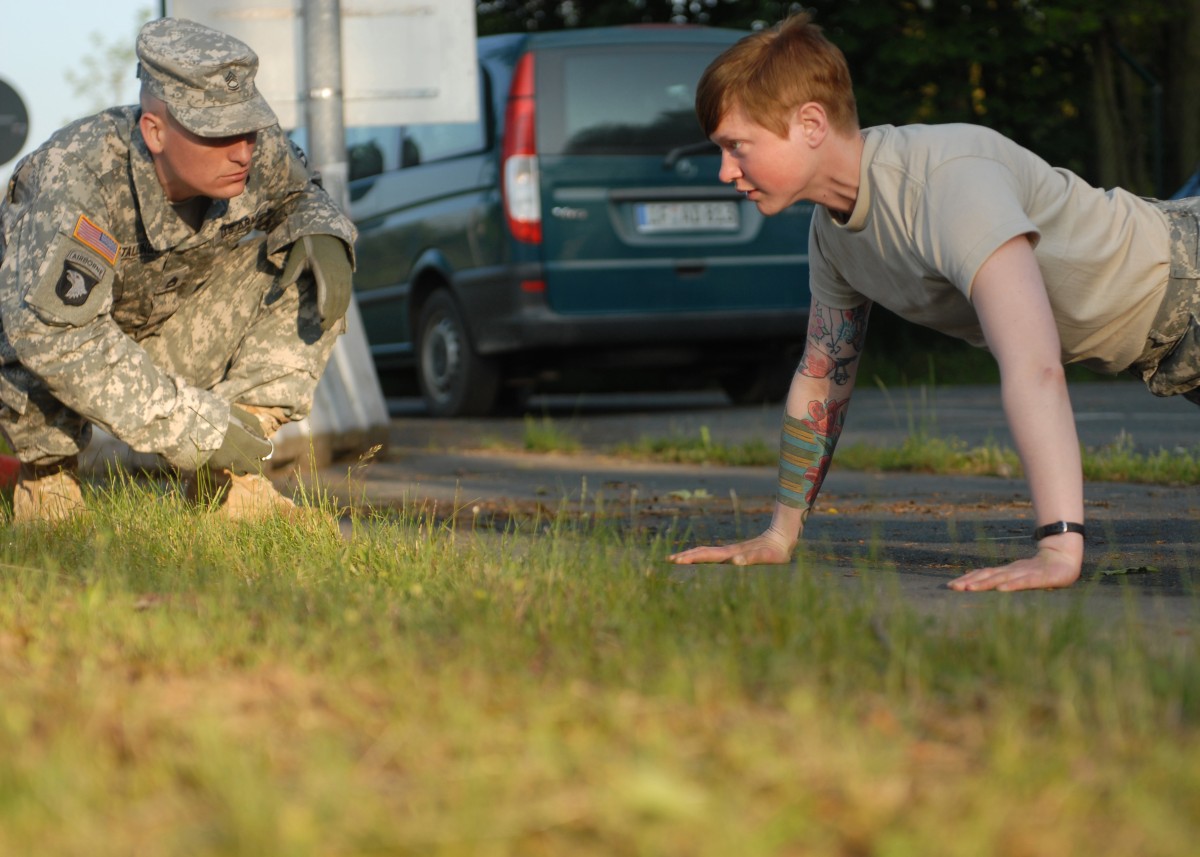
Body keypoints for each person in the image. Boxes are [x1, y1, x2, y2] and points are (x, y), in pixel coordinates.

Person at [668, 12, 1200, 592]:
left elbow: (1033, 362)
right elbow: (823, 376)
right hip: (1166, 346)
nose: (725, 171)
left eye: (736, 146)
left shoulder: (947, 182)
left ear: (811, 123)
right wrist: (779, 535)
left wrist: (1058, 545)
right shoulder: (832, 235)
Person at [0, 17, 357, 522]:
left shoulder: (257, 151)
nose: (242, 151)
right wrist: (199, 428)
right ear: (156, 132)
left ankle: (229, 483)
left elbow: (300, 193)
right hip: (46, 355)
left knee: (305, 267)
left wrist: (322, 225)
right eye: (219, 133)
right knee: (30, 325)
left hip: (156, 332)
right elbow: (55, 339)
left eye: (249, 127)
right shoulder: (77, 175)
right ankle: (48, 484)